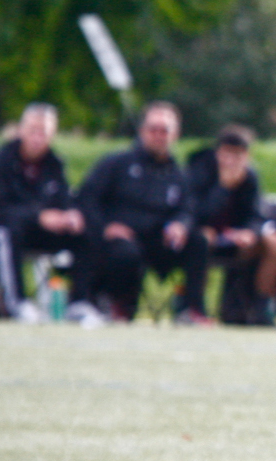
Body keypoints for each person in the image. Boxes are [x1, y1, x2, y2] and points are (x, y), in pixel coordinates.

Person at [75, 101, 211, 324]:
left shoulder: (179, 173)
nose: (158, 135)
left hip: (158, 239)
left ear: (175, 134)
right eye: (153, 129)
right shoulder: (115, 163)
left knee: (198, 242)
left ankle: (192, 309)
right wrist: (106, 226)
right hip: (118, 239)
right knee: (126, 253)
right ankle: (118, 305)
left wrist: (180, 225)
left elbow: (187, 209)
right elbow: (88, 199)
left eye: (164, 130)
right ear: (141, 131)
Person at [0, 102, 96, 323]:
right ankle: (17, 303)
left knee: (85, 230)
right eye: (33, 130)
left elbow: (63, 200)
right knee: (9, 233)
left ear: (52, 134)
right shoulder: (1, 161)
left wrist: (70, 215)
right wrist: (37, 216)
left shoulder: (55, 163)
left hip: (33, 231)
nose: (38, 137)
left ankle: (79, 303)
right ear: (21, 130)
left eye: (44, 132)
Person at [188, 126, 276, 325]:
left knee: (273, 242)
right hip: (204, 235)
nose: (231, 161)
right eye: (227, 154)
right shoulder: (199, 169)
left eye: (238, 155)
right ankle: (195, 306)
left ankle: (260, 308)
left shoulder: (250, 176)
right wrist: (222, 188)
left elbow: (257, 215)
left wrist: (249, 232)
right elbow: (195, 213)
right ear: (218, 152)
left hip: (235, 240)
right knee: (203, 238)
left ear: (247, 155)